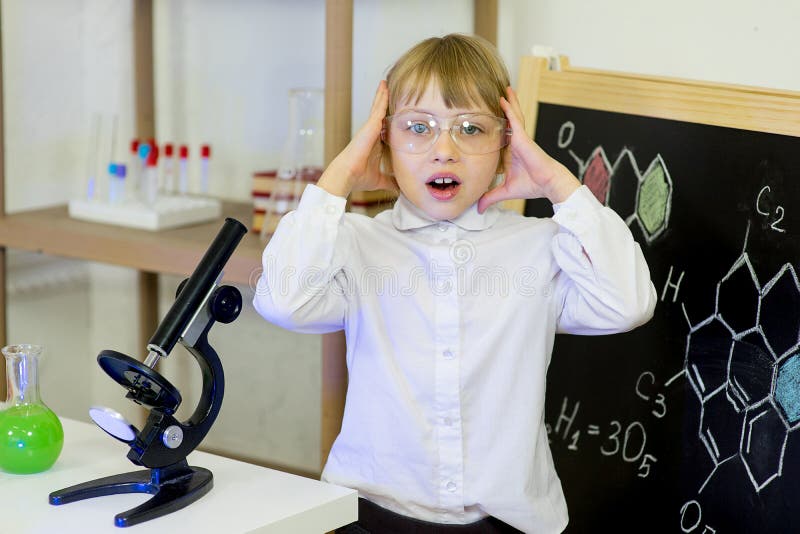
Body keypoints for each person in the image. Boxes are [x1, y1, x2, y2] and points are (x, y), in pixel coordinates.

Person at [253, 33, 656, 534]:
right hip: (371, 515)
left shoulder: (542, 247)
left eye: (471, 128)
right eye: (417, 128)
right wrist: (340, 175)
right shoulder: (355, 244)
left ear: (506, 144)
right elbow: (282, 301)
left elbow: (628, 303)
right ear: (385, 142)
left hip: (507, 522)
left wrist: (559, 186)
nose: (444, 150)